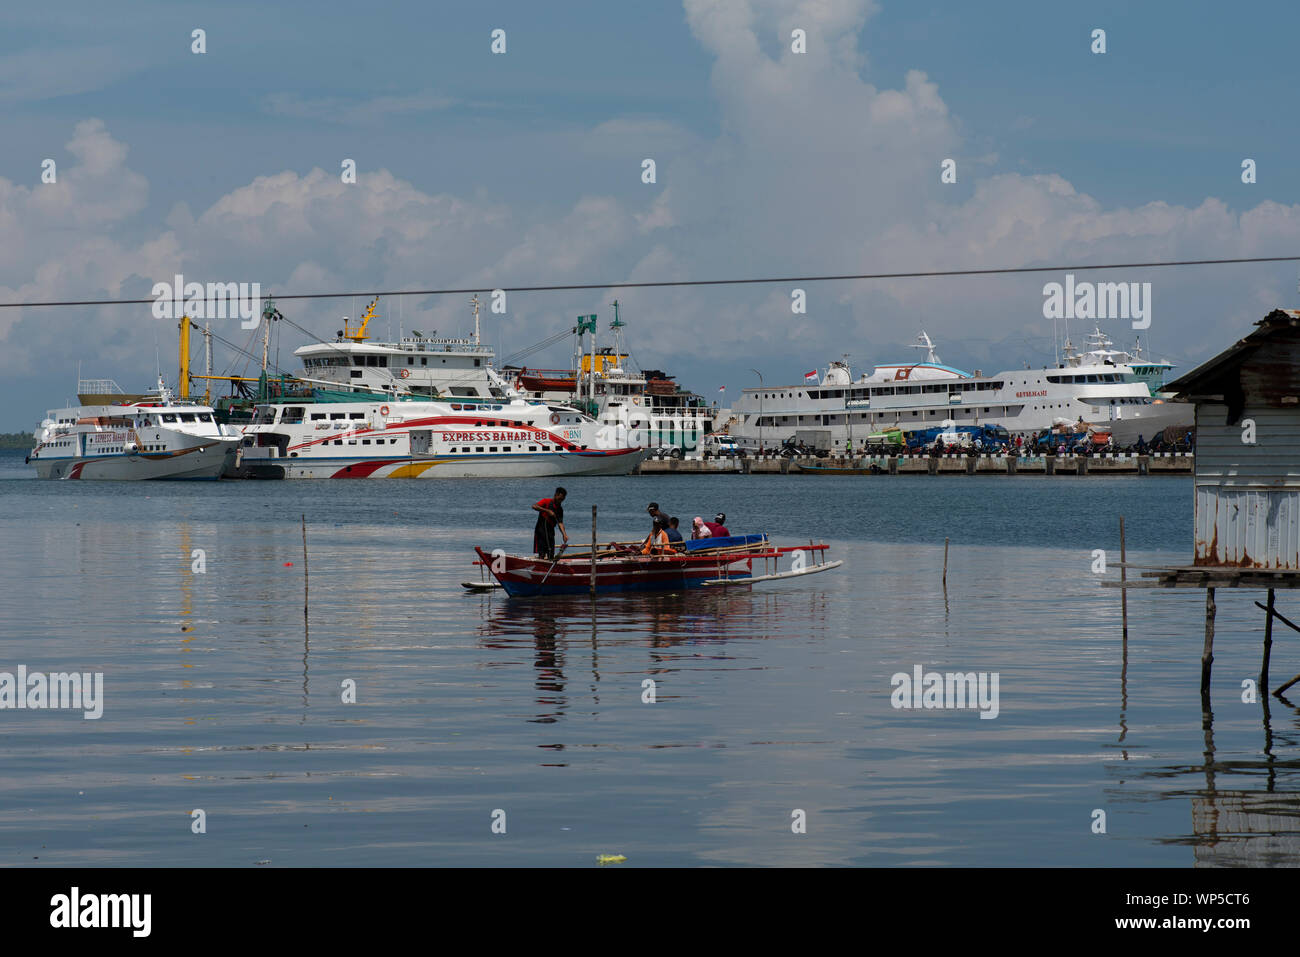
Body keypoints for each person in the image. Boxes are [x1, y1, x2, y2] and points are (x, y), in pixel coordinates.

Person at [532, 487, 568, 559]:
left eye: (562, 499)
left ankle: (550, 565)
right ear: (555, 495)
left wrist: (564, 534)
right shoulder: (546, 501)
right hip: (541, 531)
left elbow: (560, 523)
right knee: (542, 554)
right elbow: (534, 506)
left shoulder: (560, 509)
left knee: (551, 554)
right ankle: (540, 565)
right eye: (559, 499)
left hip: (550, 532)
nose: (560, 501)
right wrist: (547, 511)